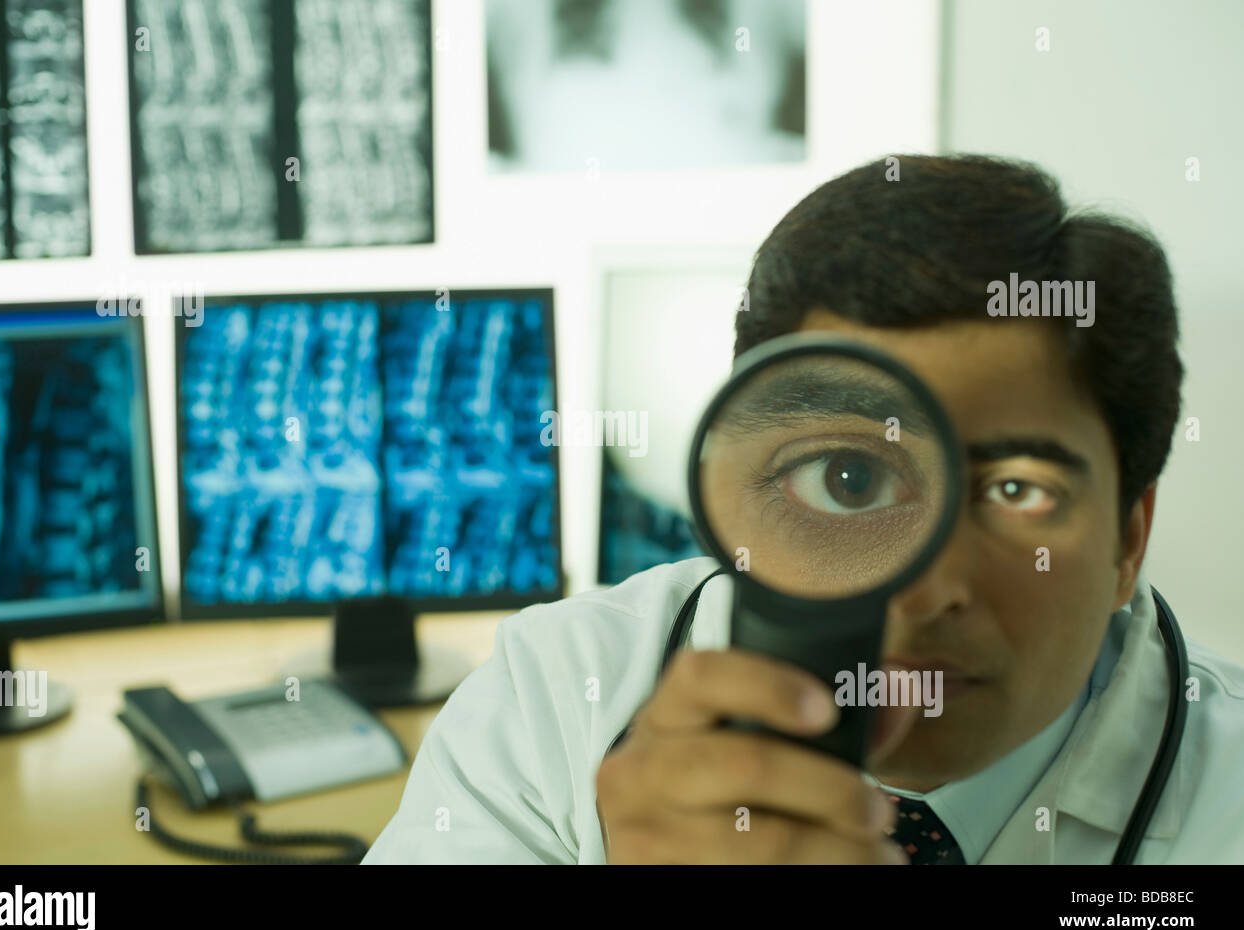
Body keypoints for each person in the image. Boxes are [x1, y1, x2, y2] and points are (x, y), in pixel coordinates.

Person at [364, 154, 1244, 864]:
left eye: (1017, 490)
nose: (923, 591)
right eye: (848, 481)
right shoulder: (555, 699)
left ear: (1130, 539)